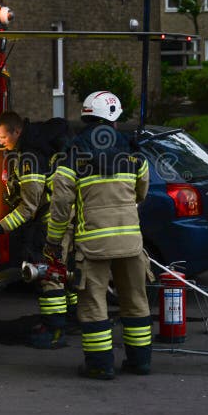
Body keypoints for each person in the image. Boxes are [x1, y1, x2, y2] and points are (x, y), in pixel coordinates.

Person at [46, 91, 151, 380]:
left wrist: (54, 243)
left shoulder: (73, 154)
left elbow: (60, 207)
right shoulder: (133, 153)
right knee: (135, 300)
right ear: (114, 120)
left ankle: (100, 366)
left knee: (94, 304)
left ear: (86, 117)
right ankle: (140, 362)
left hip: (93, 246)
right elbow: (141, 192)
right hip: (131, 243)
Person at [0, 111, 73, 349]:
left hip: (51, 223)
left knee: (50, 274)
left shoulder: (29, 157)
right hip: (63, 217)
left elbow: (28, 207)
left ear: (17, 131)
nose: (0, 143)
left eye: (2, 137)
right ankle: (68, 321)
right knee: (63, 271)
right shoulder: (37, 143)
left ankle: (54, 331)